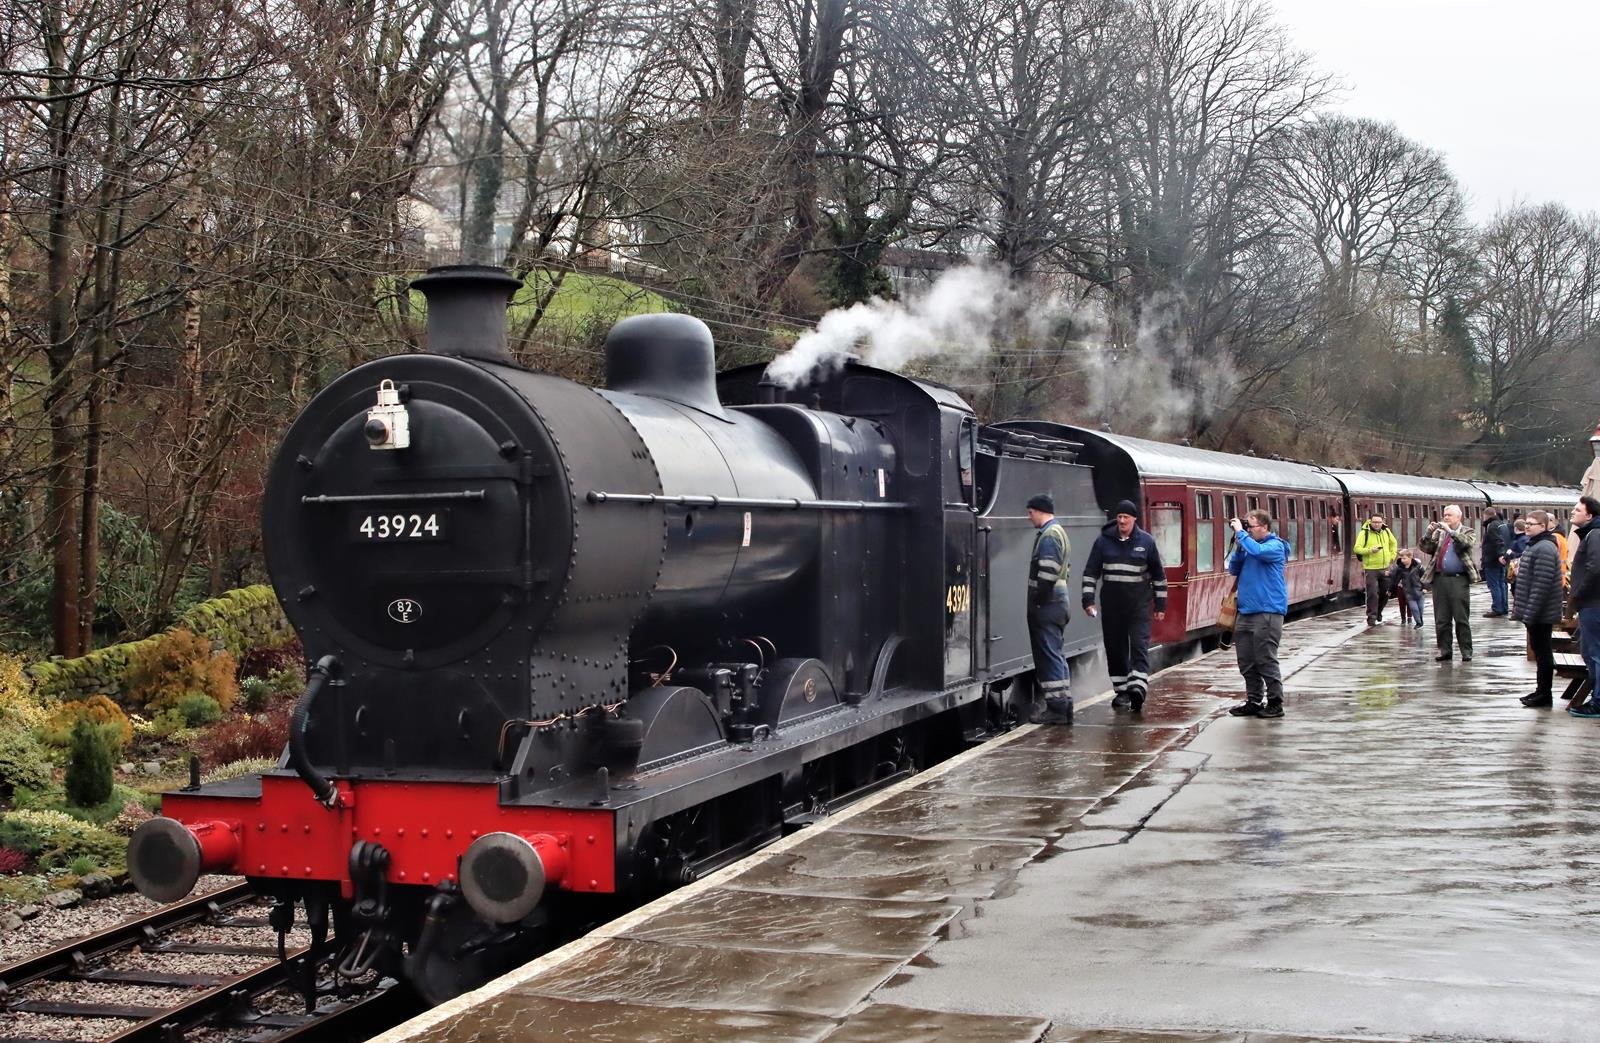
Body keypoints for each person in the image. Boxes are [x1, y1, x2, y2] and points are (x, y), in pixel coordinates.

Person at [1081, 498, 1167, 712]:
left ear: (1134, 519)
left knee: (1139, 645)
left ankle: (1138, 687)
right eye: (1119, 517)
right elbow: (1090, 573)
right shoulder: (1103, 542)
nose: (1121, 520)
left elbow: (1158, 575)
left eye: (1126, 517)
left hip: (1138, 605)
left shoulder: (1146, 542)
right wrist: (1088, 600)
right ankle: (1122, 691)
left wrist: (1161, 605)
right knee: (1115, 648)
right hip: (1112, 606)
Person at [1225, 509, 1289, 719]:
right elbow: (1234, 568)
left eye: (1251, 527)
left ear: (1265, 527)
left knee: (1265, 659)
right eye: (1247, 527)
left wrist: (1242, 535)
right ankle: (1253, 700)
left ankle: (1275, 702)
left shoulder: (1275, 546)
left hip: (1268, 611)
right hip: (1246, 611)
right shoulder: (1249, 546)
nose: (1248, 530)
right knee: (1246, 661)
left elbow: (1259, 553)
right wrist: (1240, 548)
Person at [1025, 493, 1073, 725]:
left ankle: (1057, 709)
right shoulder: (1059, 532)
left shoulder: (1049, 536)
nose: (1029, 517)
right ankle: (1064, 703)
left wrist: (1038, 600)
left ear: (1040, 510)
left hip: (1048, 604)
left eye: (1030, 512)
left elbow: (1047, 573)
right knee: (1056, 653)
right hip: (1058, 602)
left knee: (1049, 655)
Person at [1512, 511, 1564, 708]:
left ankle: (1544, 694)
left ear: (1543, 526)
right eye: (1526, 523)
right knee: (1540, 650)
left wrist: (1530, 613)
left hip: (1541, 613)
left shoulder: (1543, 548)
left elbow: (1541, 585)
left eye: (1532, 524)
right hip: (1537, 612)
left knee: (1542, 652)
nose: (1527, 527)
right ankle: (1541, 691)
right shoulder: (1536, 545)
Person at [1420, 504, 1479, 662]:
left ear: (1458, 517)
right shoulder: (1439, 533)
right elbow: (1426, 548)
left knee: (1461, 618)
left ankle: (1466, 651)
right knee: (1441, 618)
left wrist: (1450, 532)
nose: (1445, 518)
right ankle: (1444, 650)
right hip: (1440, 579)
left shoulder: (1468, 531)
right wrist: (1428, 533)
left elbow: (1465, 544)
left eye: (1449, 515)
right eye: (1445, 515)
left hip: (1458, 579)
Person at [1568, 495, 1600, 717]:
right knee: (1591, 652)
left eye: (1577, 510)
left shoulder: (1595, 535)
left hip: (1593, 603)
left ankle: (1598, 702)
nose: (1573, 512)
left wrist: (1578, 592)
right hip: (1591, 602)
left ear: (1589, 515)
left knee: (1595, 653)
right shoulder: (1592, 534)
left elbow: (1596, 568)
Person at [1352, 514, 1398, 624]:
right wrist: (1370, 550)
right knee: (1372, 593)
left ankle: (1378, 611)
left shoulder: (1386, 531)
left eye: (1379, 522)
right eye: (1374, 522)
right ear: (1370, 522)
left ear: (1382, 522)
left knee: (1386, 592)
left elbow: (1394, 543)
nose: (1377, 524)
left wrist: (1392, 556)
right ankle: (1371, 617)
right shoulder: (1364, 532)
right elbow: (1357, 548)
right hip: (1371, 568)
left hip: (1385, 567)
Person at [1480, 508, 1511, 617]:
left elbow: (1497, 541)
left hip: (1493, 560)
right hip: (1502, 559)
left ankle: (1497, 608)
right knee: (1502, 583)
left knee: (1494, 585)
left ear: (1485, 515)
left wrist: (1499, 555)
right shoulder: (1502, 524)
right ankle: (1504, 607)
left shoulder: (1491, 526)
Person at [1388, 548, 1426, 630]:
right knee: (1414, 608)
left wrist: (1425, 588)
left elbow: (1425, 577)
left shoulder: (1418, 567)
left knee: (1420, 608)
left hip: (1419, 591)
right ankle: (1418, 623)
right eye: (1401, 558)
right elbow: (1394, 579)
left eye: (1404, 558)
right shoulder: (1400, 569)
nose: (1402, 560)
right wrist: (1390, 590)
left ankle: (1420, 620)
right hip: (1408, 592)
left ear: (1410, 557)